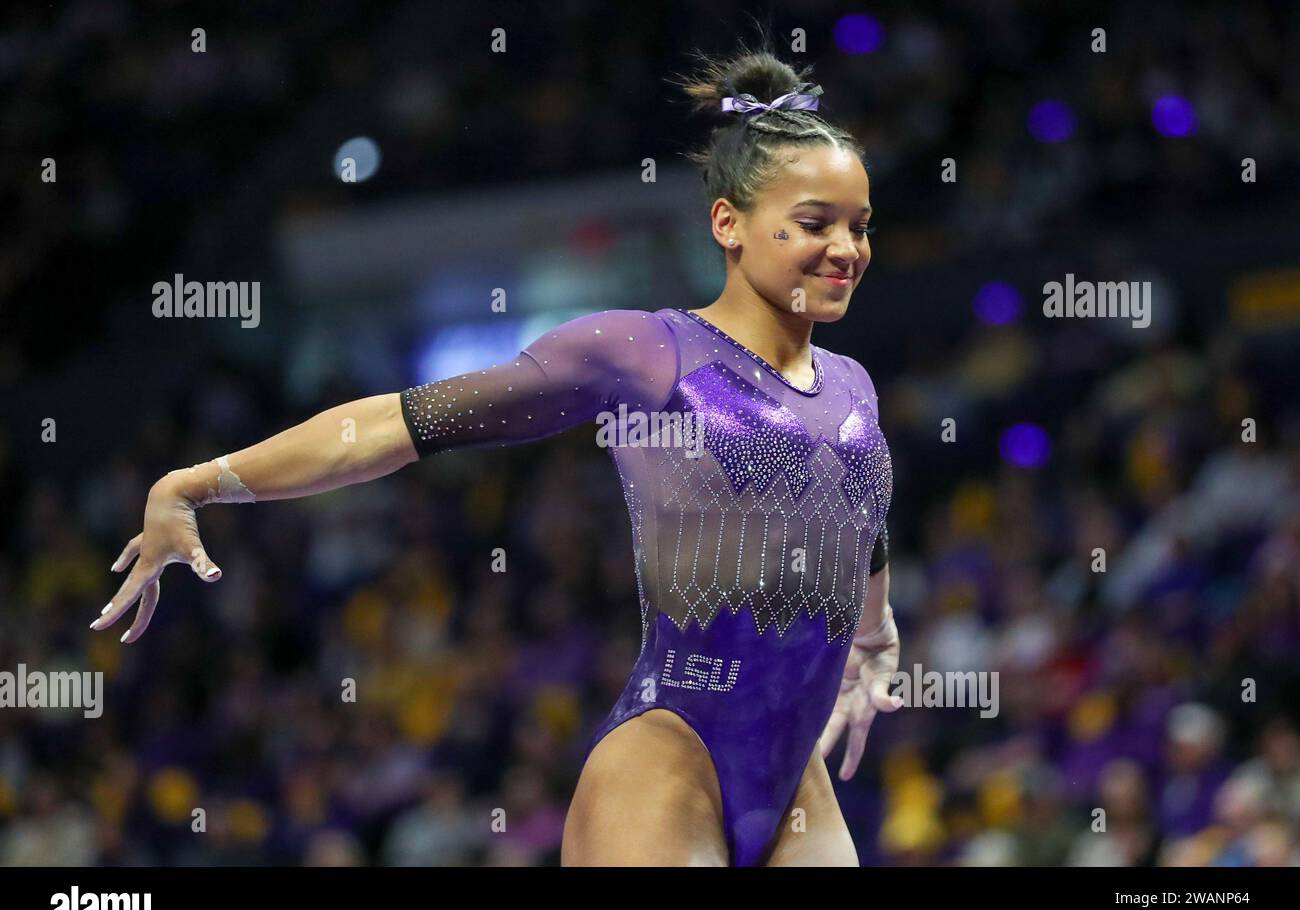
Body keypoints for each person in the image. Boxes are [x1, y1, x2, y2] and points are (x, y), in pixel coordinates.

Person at [90, 42, 902, 866]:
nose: (846, 249)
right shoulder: (645, 352)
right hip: (670, 761)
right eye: (814, 224)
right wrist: (200, 482)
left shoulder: (853, 387)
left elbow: (857, 519)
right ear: (728, 222)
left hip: (796, 783)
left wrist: (874, 633)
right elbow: (395, 426)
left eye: (860, 226)